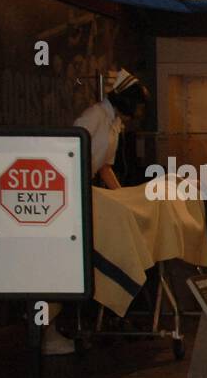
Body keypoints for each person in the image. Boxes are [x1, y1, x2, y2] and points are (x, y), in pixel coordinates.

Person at [41, 71, 150, 355]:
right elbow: (69, 150)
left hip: (84, 192)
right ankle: (46, 332)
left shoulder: (114, 123)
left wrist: (122, 197)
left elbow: (104, 167)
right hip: (69, 195)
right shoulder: (93, 117)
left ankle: (56, 330)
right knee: (61, 265)